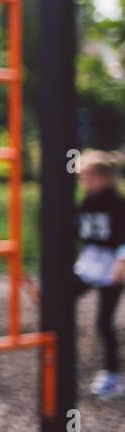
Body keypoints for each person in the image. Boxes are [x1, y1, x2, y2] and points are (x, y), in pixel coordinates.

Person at [73, 150, 125, 398]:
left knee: (104, 322)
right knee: (60, 299)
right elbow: (77, 230)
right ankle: (62, 351)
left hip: (111, 264)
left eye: (89, 177)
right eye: (82, 177)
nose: (85, 182)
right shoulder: (86, 201)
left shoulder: (117, 204)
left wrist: (120, 265)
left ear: (106, 178)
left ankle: (112, 375)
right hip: (89, 262)